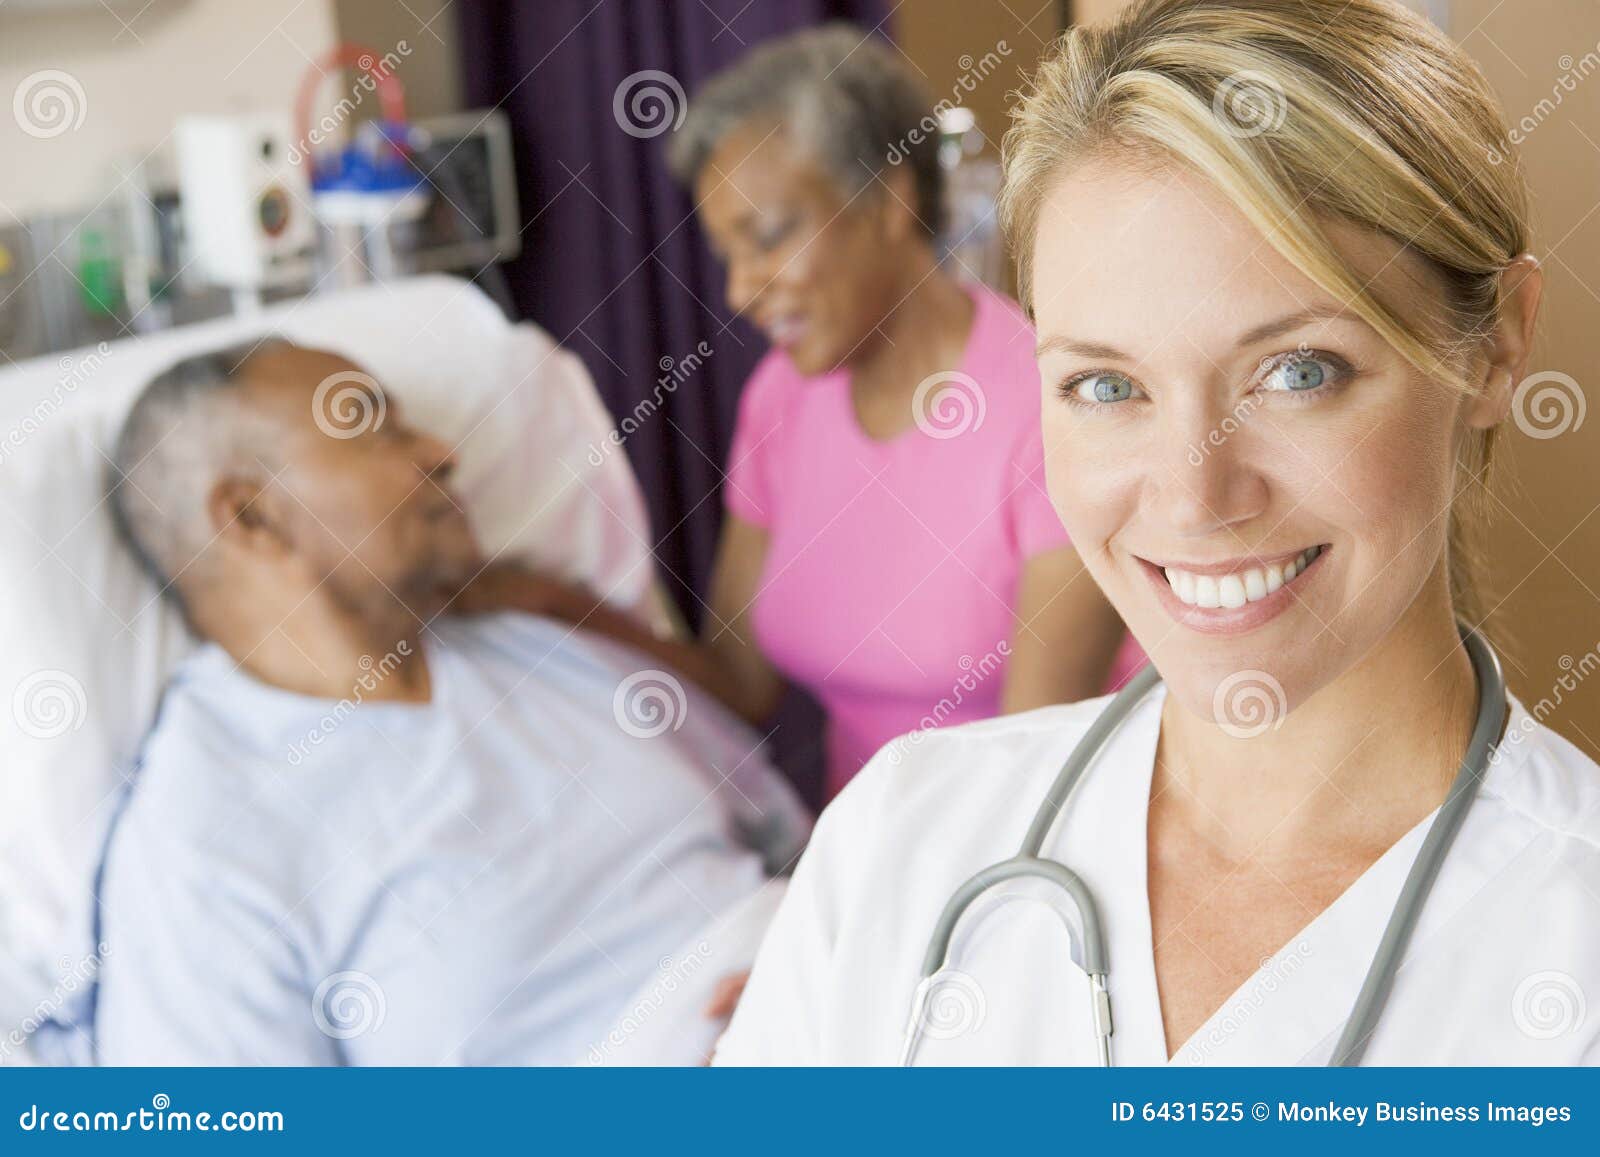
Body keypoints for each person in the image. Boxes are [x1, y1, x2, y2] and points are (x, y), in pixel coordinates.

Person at [714, 0, 1600, 1065]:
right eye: (1104, 383)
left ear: (1497, 349)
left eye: (1298, 372)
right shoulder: (893, 849)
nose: (1191, 498)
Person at [95, 340, 808, 1065]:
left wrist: (807, 975)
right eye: (378, 430)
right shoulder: (207, 848)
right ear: (251, 516)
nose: (440, 451)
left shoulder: (535, 648)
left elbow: (799, 842)